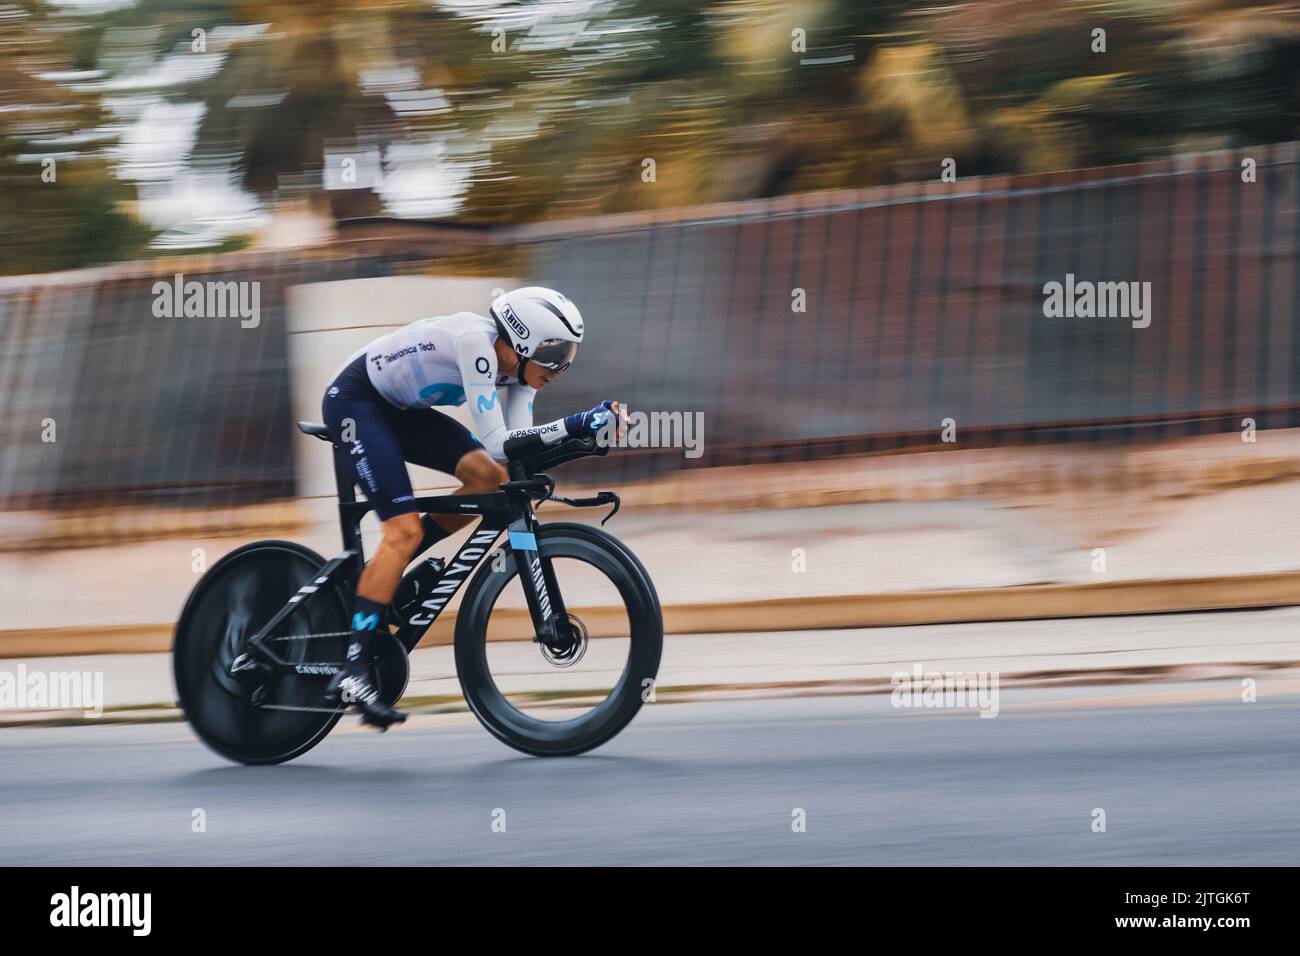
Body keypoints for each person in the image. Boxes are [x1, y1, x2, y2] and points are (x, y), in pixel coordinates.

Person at [320, 286, 619, 728]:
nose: (561, 367)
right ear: (523, 341)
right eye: (555, 353)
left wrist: (583, 440)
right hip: (356, 403)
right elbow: (499, 440)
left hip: (399, 411)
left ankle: (393, 571)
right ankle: (353, 668)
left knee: (490, 480)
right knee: (401, 531)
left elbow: (512, 454)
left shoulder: (519, 376)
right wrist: (576, 422)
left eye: (568, 355)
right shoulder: (475, 344)